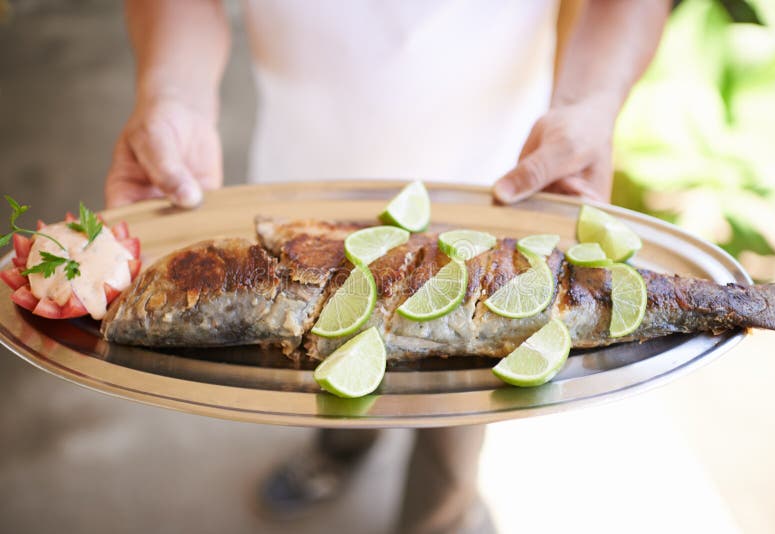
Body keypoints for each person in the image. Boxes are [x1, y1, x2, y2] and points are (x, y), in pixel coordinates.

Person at [105, 1, 670, 532]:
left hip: (493, 197)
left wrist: (590, 104)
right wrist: (173, 96)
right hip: (305, 208)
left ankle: (443, 515)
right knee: (327, 376)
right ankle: (335, 455)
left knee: (464, 414)